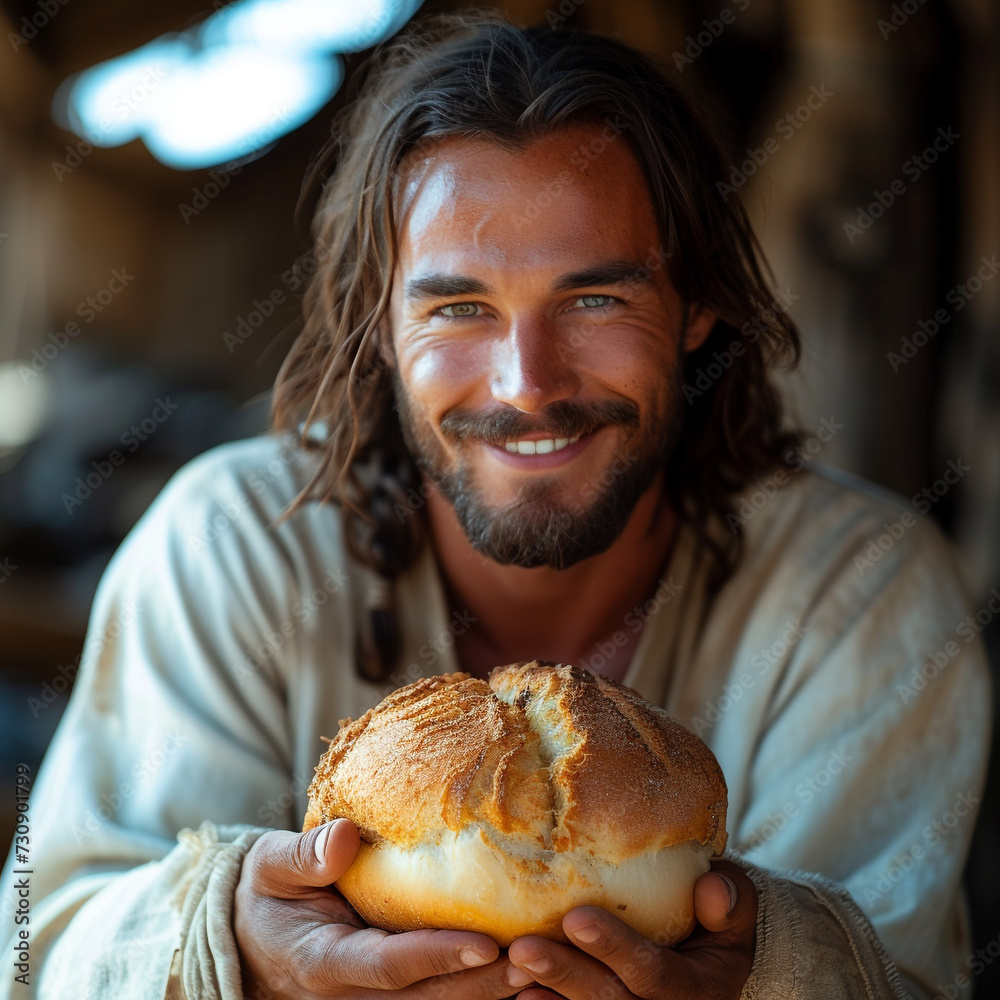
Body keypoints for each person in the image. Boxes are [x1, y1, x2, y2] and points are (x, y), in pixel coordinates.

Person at [1, 11, 990, 1000]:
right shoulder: (229, 549)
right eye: (458, 307)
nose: (526, 384)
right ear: (378, 326)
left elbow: (912, 976)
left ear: (697, 306)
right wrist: (231, 941)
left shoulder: (859, 592)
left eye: (595, 299)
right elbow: (35, 955)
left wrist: (769, 972)